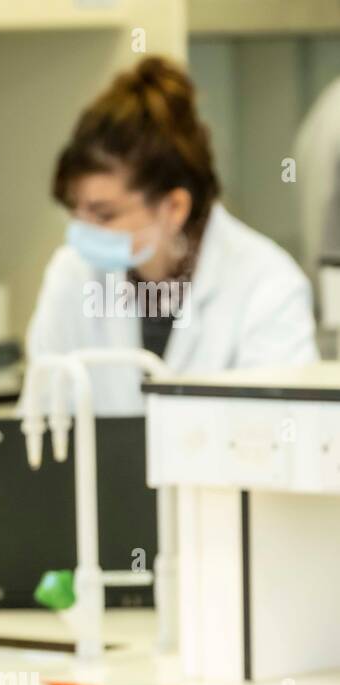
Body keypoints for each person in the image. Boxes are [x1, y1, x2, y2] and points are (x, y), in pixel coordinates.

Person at [26, 56, 318, 415]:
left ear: (174, 207)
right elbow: (39, 427)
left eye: (104, 214)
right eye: (75, 210)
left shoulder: (267, 286)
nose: (83, 231)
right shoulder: (73, 274)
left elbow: (282, 440)